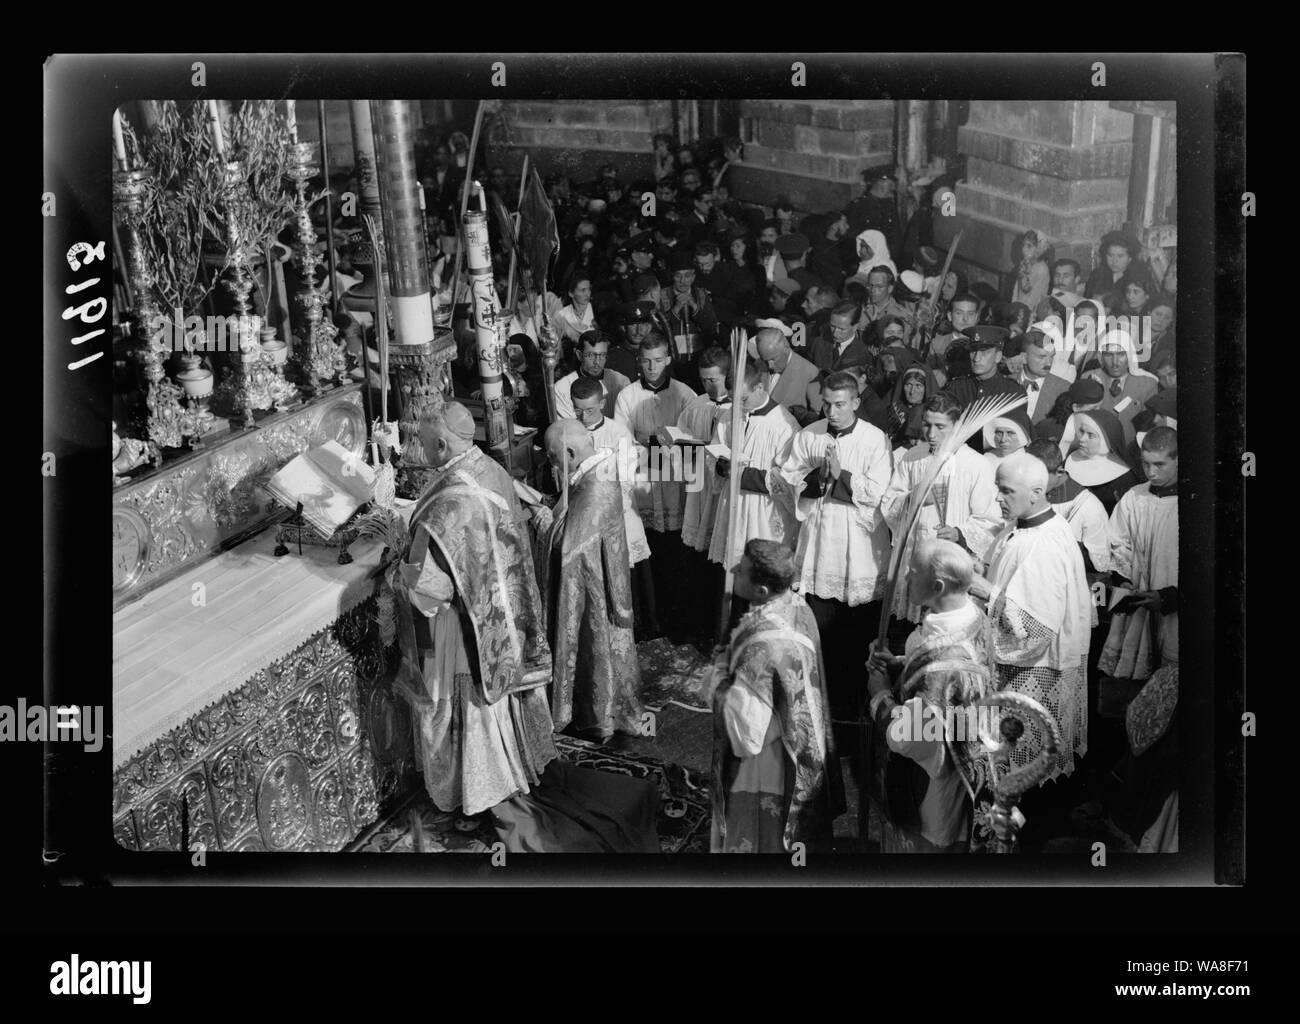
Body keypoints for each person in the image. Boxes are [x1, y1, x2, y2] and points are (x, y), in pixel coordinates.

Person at [394, 403, 659, 851]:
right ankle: (515, 765)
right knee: (503, 707)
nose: (418, 448)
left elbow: (428, 589)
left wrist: (396, 568)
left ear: (440, 444)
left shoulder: (447, 508)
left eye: (421, 441)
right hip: (504, 619)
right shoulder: (491, 469)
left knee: (462, 710)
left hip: (462, 634)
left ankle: (479, 790)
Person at [777, 370, 893, 762]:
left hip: (859, 549)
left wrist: (840, 475)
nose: (833, 410)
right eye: (827, 403)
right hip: (820, 546)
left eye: (841, 403)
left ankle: (860, 719)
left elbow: (880, 497)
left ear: (857, 402)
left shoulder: (875, 440)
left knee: (855, 632)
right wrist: (816, 477)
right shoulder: (809, 434)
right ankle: (823, 716)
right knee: (822, 631)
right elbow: (786, 478)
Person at [706, 539, 845, 853]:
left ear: (761, 591)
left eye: (741, 571)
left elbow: (746, 738)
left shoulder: (761, 647)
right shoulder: (800, 607)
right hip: (797, 744)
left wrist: (719, 677)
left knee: (759, 838)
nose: (732, 571)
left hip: (764, 768)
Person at [970, 453, 1092, 789]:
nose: (998, 497)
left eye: (1006, 490)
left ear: (1036, 493)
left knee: (1022, 775)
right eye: (998, 488)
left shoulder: (1045, 544)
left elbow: (1034, 633)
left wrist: (985, 592)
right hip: (1018, 675)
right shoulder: (1024, 526)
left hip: (1030, 673)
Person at [865, 538, 993, 853]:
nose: (906, 578)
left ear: (936, 586)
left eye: (912, 571)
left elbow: (909, 738)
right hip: (965, 766)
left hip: (929, 787)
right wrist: (901, 665)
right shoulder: (974, 617)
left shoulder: (940, 664)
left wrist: (879, 694)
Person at [534, 419, 645, 742]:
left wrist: (543, 524)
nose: (555, 466)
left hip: (595, 592)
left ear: (569, 452)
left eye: (556, 459)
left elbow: (570, 550)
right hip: (602, 579)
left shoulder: (596, 488)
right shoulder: (598, 471)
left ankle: (597, 717)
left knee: (597, 653)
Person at [879, 392, 1003, 626]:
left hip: (953, 559)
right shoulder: (913, 457)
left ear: (957, 426)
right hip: (915, 558)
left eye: (940, 426)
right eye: (926, 424)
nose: (931, 434)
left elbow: (990, 519)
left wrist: (959, 532)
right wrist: (912, 498)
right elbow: (889, 502)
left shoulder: (976, 464)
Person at [615, 334, 699, 643]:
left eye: (658, 360)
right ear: (639, 360)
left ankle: (677, 622)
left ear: (668, 359)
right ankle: (652, 623)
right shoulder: (627, 396)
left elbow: (692, 444)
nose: (652, 367)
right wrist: (653, 450)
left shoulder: (685, 394)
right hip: (644, 486)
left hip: (676, 486)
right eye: (646, 361)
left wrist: (665, 452)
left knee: (676, 556)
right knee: (649, 559)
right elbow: (622, 442)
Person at [1099, 426, 1179, 683]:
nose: (1151, 472)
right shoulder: (1134, 497)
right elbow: (1116, 541)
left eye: (1160, 464)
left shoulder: (1193, 500)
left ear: (1179, 458)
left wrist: (1170, 596)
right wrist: (1123, 579)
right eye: (1145, 464)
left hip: (1177, 604)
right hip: (1139, 598)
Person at [707, 359, 799, 579]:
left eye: (743, 399)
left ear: (759, 388)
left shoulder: (784, 425)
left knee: (762, 575)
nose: (737, 406)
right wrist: (720, 466)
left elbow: (789, 479)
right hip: (734, 505)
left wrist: (741, 474)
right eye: (733, 400)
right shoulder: (730, 416)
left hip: (764, 513)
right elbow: (715, 450)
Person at [677, 347, 732, 646]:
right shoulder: (696, 405)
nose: (708, 386)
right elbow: (677, 441)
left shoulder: (738, 409)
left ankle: (718, 632)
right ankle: (696, 629)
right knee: (695, 562)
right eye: (703, 380)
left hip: (722, 492)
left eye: (714, 380)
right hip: (699, 490)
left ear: (728, 377)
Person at [570, 375, 651, 570]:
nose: (583, 417)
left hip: (616, 512)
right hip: (582, 514)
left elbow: (625, 478)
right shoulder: (569, 431)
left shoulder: (618, 432)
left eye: (590, 410)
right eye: (578, 410)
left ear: (602, 403)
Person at [1027, 437, 1111, 578]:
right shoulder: (1029, 496)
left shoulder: (1088, 506)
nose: (1032, 482)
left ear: (1059, 472)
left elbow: (1099, 564)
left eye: (1040, 477)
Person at [1059, 407, 1141, 515]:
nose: (1082, 439)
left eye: (1091, 435)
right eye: (1082, 431)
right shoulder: (1070, 460)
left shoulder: (1123, 479)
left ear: (1106, 440)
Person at [552, 330, 631, 422]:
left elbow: (625, 423)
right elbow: (567, 429)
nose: (597, 362)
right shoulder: (562, 388)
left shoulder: (621, 382)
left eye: (602, 355)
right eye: (591, 355)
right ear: (579, 355)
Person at [756, 324, 822, 426]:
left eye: (773, 359)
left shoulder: (809, 371)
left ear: (786, 348)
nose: (769, 365)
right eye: (765, 359)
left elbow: (819, 416)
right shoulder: (758, 365)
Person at [1015, 328, 1071, 424]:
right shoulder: (1005, 382)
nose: (1049, 363)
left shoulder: (1064, 389)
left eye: (1052, 356)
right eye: (1042, 357)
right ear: (1024, 358)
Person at [883, 363, 938, 450]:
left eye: (918, 386)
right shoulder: (894, 407)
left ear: (926, 388)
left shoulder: (929, 415)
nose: (912, 391)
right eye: (908, 385)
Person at [1084, 230, 1141, 309]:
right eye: (1110, 255)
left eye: (1120, 256)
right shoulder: (1097, 274)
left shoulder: (1136, 278)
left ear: (1130, 258)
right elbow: (1087, 300)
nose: (1114, 261)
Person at [1010, 229, 1052, 312]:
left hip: (1032, 311)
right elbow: (1016, 289)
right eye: (1023, 245)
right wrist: (1013, 306)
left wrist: (1021, 313)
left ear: (1039, 249)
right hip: (1018, 308)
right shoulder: (1024, 264)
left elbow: (1035, 298)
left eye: (1029, 246)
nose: (1024, 249)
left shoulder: (1042, 270)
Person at [552, 272, 597, 345]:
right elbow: (555, 344)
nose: (587, 294)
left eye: (589, 289)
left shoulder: (596, 310)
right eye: (583, 290)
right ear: (571, 293)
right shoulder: (561, 316)